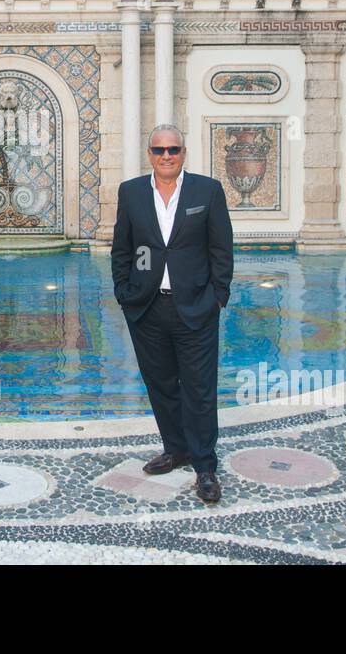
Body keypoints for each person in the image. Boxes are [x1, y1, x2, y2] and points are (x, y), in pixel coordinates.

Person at [110, 124, 234, 503]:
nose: (167, 156)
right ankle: (175, 447)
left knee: (198, 388)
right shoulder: (131, 192)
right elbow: (122, 249)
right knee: (161, 384)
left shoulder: (206, 191)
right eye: (160, 150)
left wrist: (217, 297)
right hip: (147, 308)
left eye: (174, 149)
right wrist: (125, 294)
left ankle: (205, 466)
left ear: (184, 152)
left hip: (195, 307)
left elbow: (221, 248)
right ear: (150, 154)